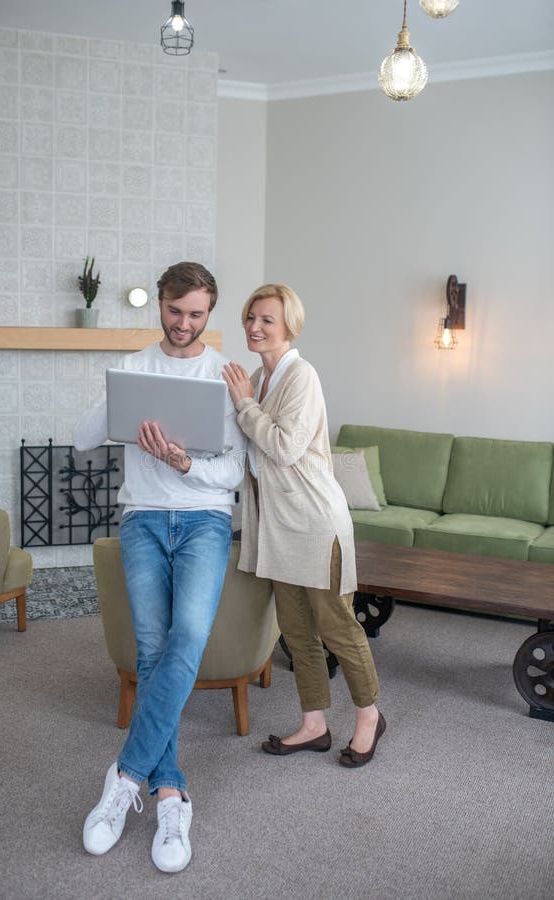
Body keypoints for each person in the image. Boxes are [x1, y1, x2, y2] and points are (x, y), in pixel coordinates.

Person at [73, 262, 245, 873]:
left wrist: (183, 463)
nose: (184, 323)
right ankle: (170, 792)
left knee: (188, 637)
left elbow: (235, 470)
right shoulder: (135, 366)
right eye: (175, 311)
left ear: (209, 312)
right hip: (144, 518)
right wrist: (118, 396)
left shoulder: (224, 375)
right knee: (151, 652)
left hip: (204, 521)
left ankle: (125, 777)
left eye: (196, 314)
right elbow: (81, 439)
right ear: (161, 306)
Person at [222, 283, 384, 767]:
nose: (254, 326)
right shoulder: (258, 377)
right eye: (251, 317)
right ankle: (314, 723)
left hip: (314, 523)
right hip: (278, 528)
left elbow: (284, 447)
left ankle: (370, 716)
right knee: (295, 633)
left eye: (266, 320)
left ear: (289, 326)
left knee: (338, 626)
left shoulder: (301, 376)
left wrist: (244, 404)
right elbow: (251, 450)